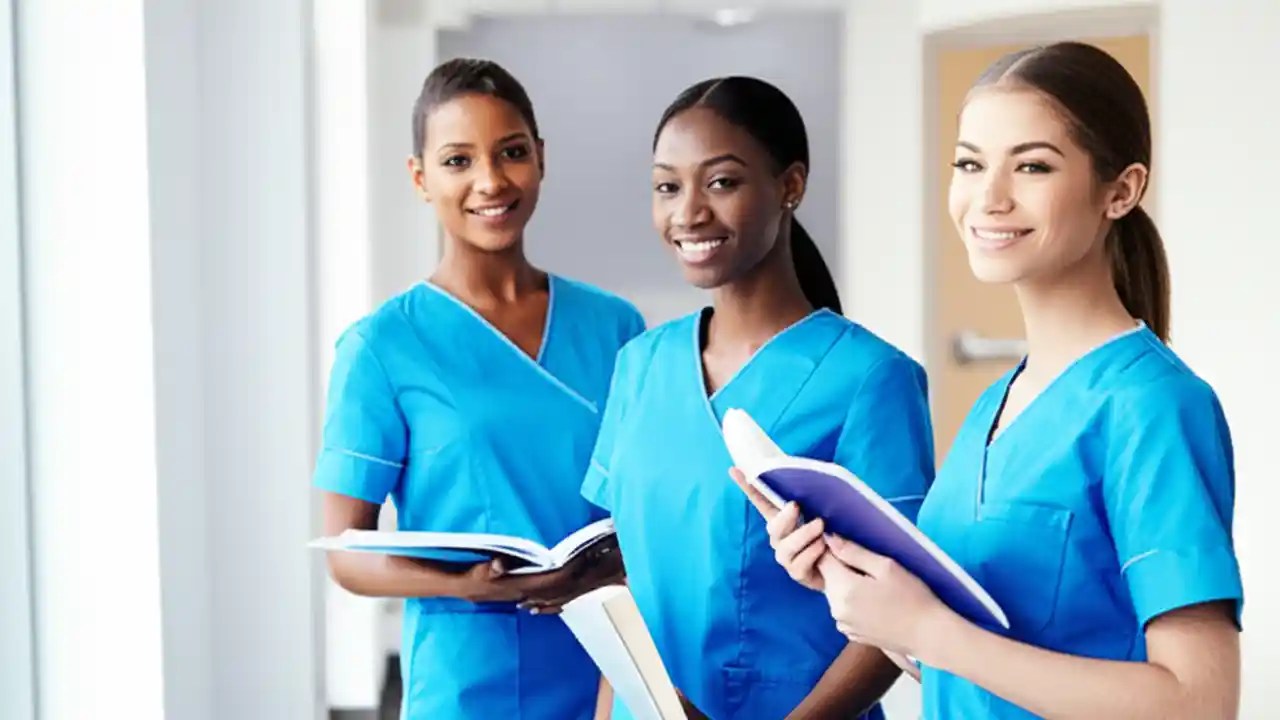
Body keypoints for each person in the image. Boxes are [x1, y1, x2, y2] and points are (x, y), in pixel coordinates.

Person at [754, 42, 1244, 719]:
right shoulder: (995, 403)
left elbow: (1200, 702)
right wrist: (853, 590)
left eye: (1033, 166)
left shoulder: (1152, 406)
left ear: (1121, 190)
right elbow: (981, 673)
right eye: (969, 164)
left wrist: (930, 629)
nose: (989, 197)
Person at [572, 76, 936, 719]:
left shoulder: (870, 379)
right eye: (667, 186)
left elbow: (904, 600)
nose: (688, 212)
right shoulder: (640, 366)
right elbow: (620, 576)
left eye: (721, 182)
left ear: (790, 185)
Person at [313, 58, 645, 720]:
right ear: (420, 178)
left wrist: (606, 568)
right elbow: (346, 557)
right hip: (466, 679)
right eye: (458, 160)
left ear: (541, 159)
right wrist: (468, 585)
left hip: (611, 665)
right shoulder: (382, 347)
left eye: (511, 153)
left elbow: (641, 507)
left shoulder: (615, 327)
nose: (491, 181)